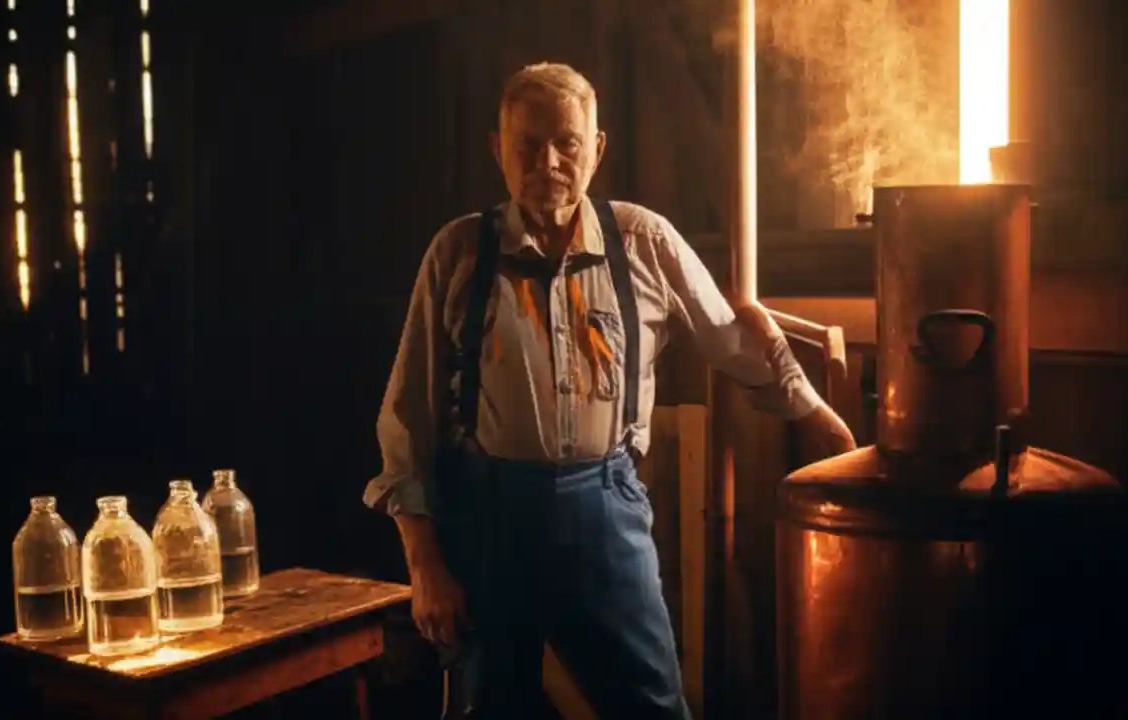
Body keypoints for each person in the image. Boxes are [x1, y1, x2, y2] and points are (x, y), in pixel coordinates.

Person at [363, 61, 856, 719]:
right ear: (497, 150)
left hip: (606, 508)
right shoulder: (458, 253)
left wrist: (817, 414)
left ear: (596, 148)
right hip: (488, 518)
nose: (548, 161)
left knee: (651, 704)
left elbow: (732, 341)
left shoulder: (642, 239)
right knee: (491, 706)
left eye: (567, 143)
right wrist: (425, 566)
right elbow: (406, 420)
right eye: (527, 145)